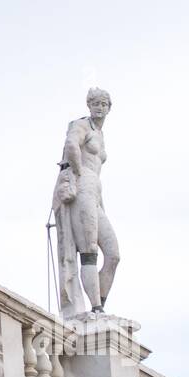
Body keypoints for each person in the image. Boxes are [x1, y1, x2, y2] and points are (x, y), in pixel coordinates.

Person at [52, 88, 120, 317]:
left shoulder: (100, 134)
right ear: (89, 105)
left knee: (113, 254)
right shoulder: (81, 125)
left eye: (104, 104)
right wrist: (79, 174)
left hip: (95, 191)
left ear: (109, 108)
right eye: (95, 103)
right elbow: (72, 145)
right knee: (89, 249)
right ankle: (96, 308)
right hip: (83, 186)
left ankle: (100, 304)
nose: (100, 107)